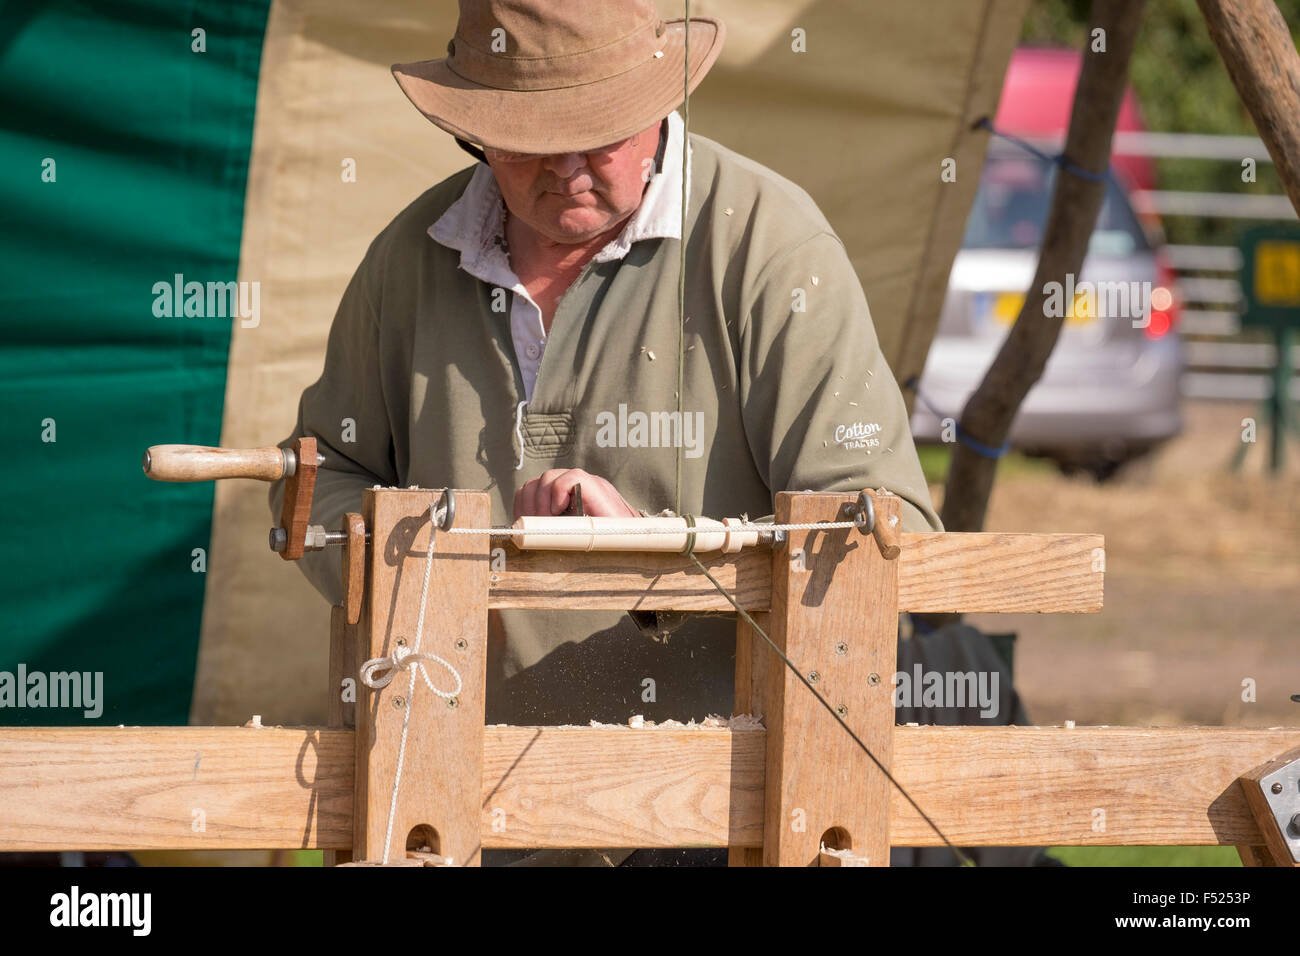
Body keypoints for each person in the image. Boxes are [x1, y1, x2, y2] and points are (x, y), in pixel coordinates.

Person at [272, 0, 969, 866]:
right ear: (475, 130)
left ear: (657, 107)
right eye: (527, 138)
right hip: (445, 803)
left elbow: (883, 533)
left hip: (715, 810)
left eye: (597, 136)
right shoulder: (410, 259)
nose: (565, 168)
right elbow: (321, 473)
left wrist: (661, 559)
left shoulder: (769, 248)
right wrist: (419, 559)